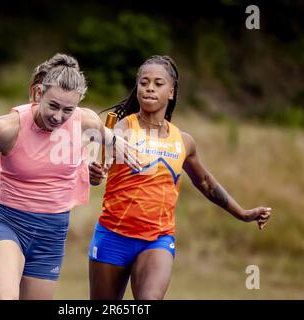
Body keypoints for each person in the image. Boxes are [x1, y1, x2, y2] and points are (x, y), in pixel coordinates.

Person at [0, 53, 140, 300]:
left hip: (52, 235)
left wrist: (105, 158)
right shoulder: (7, 128)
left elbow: (95, 150)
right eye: (53, 105)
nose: (58, 117)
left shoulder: (85, 121)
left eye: (67, 110)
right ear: (38, 93)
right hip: (9, 225)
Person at [88, 55, 272, 300]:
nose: (150, 87)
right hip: (113, 236)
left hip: (157, 240)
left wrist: (244, 213)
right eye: (144, 83)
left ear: (171, 92)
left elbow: (206, 183)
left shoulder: (183, 141)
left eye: (158, 83)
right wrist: (96, 173)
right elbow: (103, 165)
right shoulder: (122, 129)